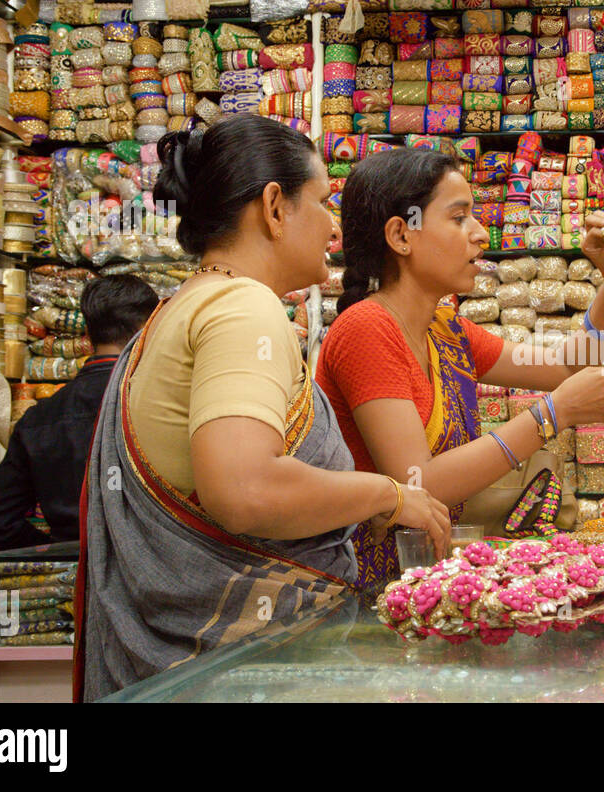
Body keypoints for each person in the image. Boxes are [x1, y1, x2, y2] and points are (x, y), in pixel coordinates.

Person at [77, 115, 450, 701]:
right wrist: (389, 495)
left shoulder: (179, 308)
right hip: (236, 677)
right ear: (275, 207)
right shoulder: (242, 309)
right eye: (323, 201)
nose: (333, 225)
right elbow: (245, 491)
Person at [316, 147, 604, 593]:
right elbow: (417, 482)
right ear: (401, 235)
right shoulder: (367, 330)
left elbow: (566, 365)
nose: (481, 234)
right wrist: (553, 415)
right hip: (368, 592)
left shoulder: (446, 330)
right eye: (458, 218)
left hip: (424, 584)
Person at [0, 275, 159, 551]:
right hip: (152, 571)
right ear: (148, 328)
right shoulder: (163, 406)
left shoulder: (40, 418)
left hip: (73, 575)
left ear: (87, 333)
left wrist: (63, 551)